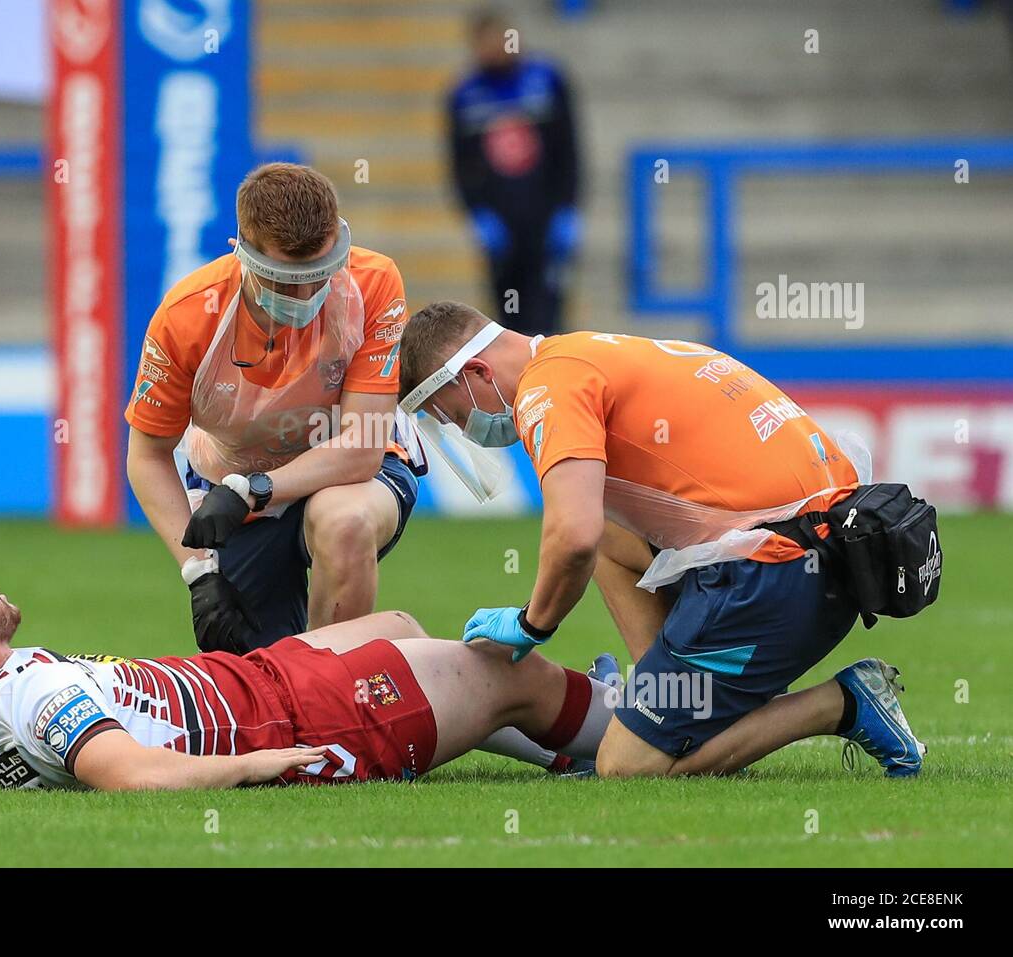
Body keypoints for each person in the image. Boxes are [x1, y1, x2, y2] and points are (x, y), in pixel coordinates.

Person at [396, 301, 928, 778]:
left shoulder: (546, 387)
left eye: (450, 414)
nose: (464, 431)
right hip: (832, 550)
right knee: (611, 540)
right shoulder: (586, 351)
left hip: (780, 567)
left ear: (476, 373)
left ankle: (844, 703)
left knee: (627, 766)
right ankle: (669, 713)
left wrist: (532, 624)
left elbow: (572, 535)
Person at [0, 559, 617, 791]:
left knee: (402, 627)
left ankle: (559, 753)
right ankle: (639, 732)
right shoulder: (34, 697)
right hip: (296, 718)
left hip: (249, 675)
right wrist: (257, 764)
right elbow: (133, 774)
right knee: (505, 669)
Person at [124, 162, 421, 655]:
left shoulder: (374, 283)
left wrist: (255, 490)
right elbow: (148, 455)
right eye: (285, 280)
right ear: (243, 251)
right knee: (250, 672)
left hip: (345, 473)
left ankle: (338, 688)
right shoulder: (186, 316)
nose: (306, 294)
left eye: (321, 273)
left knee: (343, 520)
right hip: (230, 484)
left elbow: (362, 449)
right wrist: (197, 570)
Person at [448, 5, 584, 336]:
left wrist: (568, 208)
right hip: (502, 227)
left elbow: (569, 151)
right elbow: (459, 164)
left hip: (545, 218)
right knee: (508, 317)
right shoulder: (464, 96)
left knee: (549, 315)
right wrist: (476, 213)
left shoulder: (547, 80)